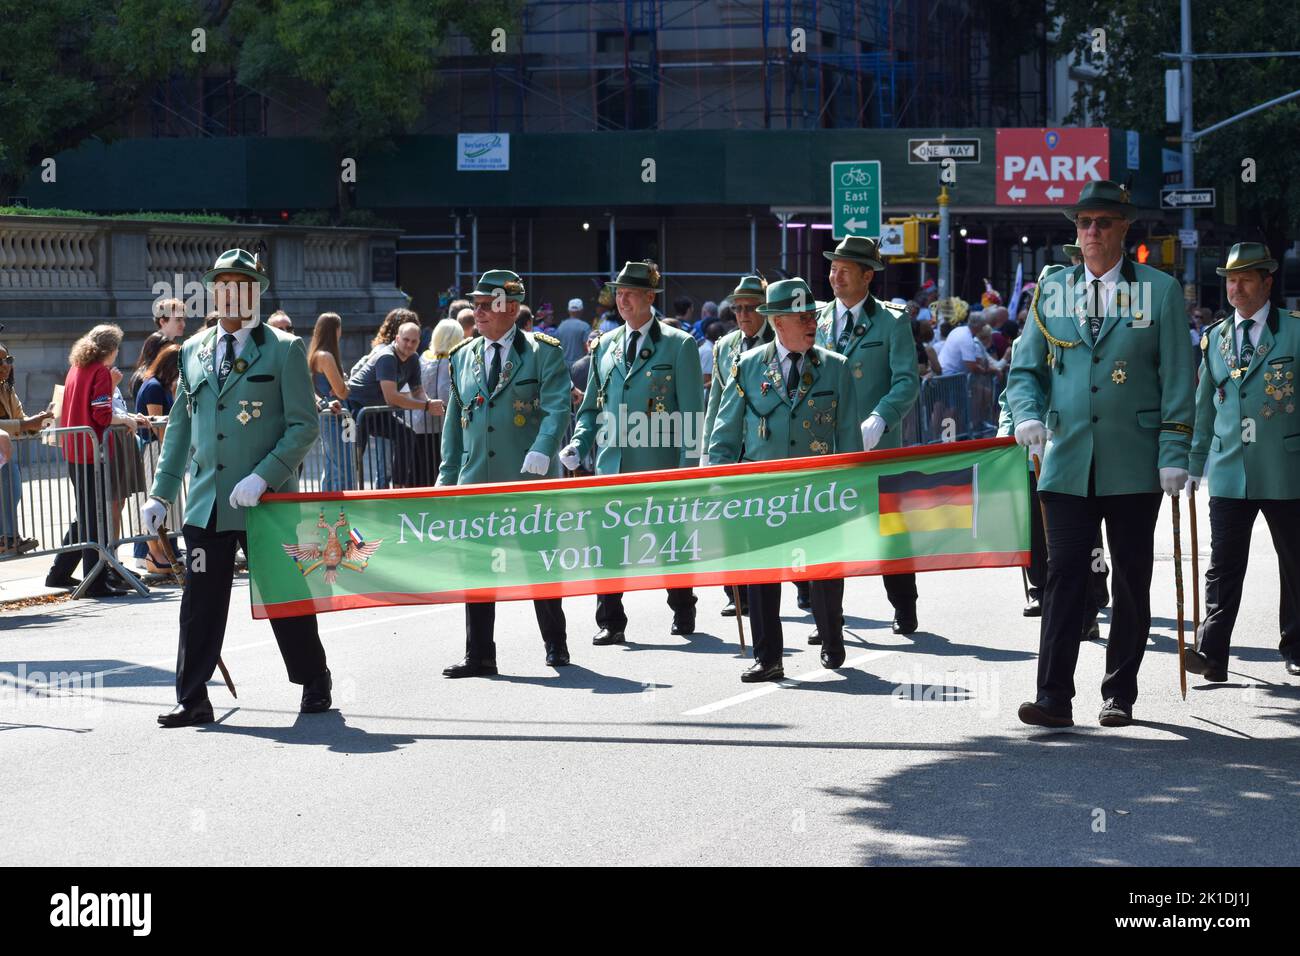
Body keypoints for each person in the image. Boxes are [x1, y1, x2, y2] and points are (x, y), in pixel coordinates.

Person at [1009, 180, 1195, 728]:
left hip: (1135, 457)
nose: (1092, 232)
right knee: (1063, 573)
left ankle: (1119, 692)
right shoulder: (1052, 290)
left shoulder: (1159, 291)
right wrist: (1026, 415)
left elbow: (1177, 377)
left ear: (1124, 228)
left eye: (1103, 223)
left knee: (1131, 578)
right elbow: (1025, 370)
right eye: (1084, 223)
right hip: (1066, 457)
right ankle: (1052, 697)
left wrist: (1175, 448)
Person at [141, 247, 332, 727]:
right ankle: (193, 697)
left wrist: (263, 475)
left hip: (266, 502)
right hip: (208, 504)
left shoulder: (285, 349)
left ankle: (314, 678)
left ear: (257, 293)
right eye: (223, 285)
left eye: (241, 285)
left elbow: (303, 425)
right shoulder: (192, 350)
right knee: (200, 603)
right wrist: (161, 492)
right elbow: (181, 428)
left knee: (284, 594)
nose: (231, 294)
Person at [710, 277, 862, 682]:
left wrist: (854, 491)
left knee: (823, 570)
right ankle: (768, 656)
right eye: (802, 316)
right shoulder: (747, 366)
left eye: (812, 314)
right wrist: (717, 483)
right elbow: (725, 432)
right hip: (763, 492)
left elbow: (848, 436)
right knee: (762, 574)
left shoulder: (835, 367)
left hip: (818, 490)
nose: (812, 322)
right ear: (778, 322)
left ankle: (832, 637)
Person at [561, 261, 704, 644]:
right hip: (612, 466)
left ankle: (682, 605)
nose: (621, 300)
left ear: (650, 298)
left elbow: (692, 413)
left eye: (629, 293)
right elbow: (592, 406)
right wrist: (579, 441)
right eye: (618, 293)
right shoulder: (605, 345)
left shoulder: (679, 345)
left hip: (659, 464)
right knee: (606, 544)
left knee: (669, 540)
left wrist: (688, 470)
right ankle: (610, 619)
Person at [437, 270, 572, 676]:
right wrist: (447, 477)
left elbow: (556, 407)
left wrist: (543, 450)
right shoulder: (462, 355)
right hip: (477, 479)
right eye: (474, 304)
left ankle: (555, 643)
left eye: (485, 305)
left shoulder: (542, 352)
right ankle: (479, 653)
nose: (475, 312)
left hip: (527, 478)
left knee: (539, 561)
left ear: (510, 308)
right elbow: (454, 423)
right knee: (476, 566)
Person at [1186, 242, 1300, 681]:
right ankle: (1212, 654)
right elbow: (1204, 405)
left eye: (1245, 279)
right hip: (1230, 468)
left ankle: (1295, 643)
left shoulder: (1293, 331)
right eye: (1231, 280)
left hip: (1285, 467)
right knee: (1223, 564)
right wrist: (1194, 461)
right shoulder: (1214, 337)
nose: (1236, 288)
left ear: (1266, 282)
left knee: (1294, 560)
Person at [816, 235, 922, 635]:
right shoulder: (818, 319)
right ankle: (829, 617)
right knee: (829, 530)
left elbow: (906, 381)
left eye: (844, 269)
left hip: (876, 445)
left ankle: (904, 605)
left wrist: (880, 419)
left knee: (890, 529)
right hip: (828, 444)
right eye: (832, 267)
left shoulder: (891, 321)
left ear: (867, 275)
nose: (835, 275)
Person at [45, 325, 143, 596]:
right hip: (93, 451)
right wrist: (125, 418)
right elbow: (101, 414)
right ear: (110, 349)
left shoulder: (77, 367)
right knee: (95, 517)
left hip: (76, 449)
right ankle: (94, 581)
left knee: (87, 515)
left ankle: (60, 572)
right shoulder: (99, 371)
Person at [700, 274, 774, 617]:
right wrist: (707, 454)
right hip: (734, 447)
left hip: (770, 445)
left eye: (750, 308)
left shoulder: (780, 337)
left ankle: (804, 584)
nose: (743, 315)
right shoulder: (724, 346)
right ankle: (736, 591)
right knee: (731, 522)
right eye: (737, 309)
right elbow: (715, 403)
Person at [346, 315, 443, 488]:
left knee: (406, 435)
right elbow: (392, 397)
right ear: (397, 338)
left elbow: (417, 390)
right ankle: (344, 496)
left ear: (419, 342)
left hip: (374, 410)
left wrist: (430, 403)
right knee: (351, 455)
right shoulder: (387, 357)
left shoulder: (413, 359)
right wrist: (426, 406)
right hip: (353, 408)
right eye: (405, 340)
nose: (409, 345)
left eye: (414, 341)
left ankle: (398, 486)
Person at [1, 342, 54, 554]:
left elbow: (21, 422)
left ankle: (9, 539)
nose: (5, 365)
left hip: (4, 454)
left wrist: (42, 421)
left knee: (12, 492)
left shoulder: (7, 389)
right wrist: (26, 424)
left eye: (8, 360)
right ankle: (8, 539)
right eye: (0, 361)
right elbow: (21, 424)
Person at [134, 343, 182, 573]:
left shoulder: (161, 386)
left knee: (163, 503)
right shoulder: (153, 387)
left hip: (159, 449)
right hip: (153, 450)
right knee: (152, 499)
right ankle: (153, 554)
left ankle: (161, 553)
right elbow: (158, 427)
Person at [411, 318, 464, 486]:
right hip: (439, 425)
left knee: (422, 472)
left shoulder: (425, 356)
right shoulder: (448, 360)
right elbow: (443, 391)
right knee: (435, 471)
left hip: (419, 422)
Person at [307, 312, 354, 491]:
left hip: (334, 415)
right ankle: (344, 508)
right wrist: (346, 384)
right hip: (334, 415)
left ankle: (328, 506)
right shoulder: (325, 356)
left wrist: (342, 386)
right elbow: (342, 392)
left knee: (333, 464)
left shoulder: (316, 354)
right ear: (335, 330)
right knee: (343, 465)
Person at [557, 298, 593, 364]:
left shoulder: (561, 326)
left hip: (564, 365)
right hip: (580, 366)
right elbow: (588, 348)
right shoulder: (585, 326)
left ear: (568, 311)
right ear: (581, 310)